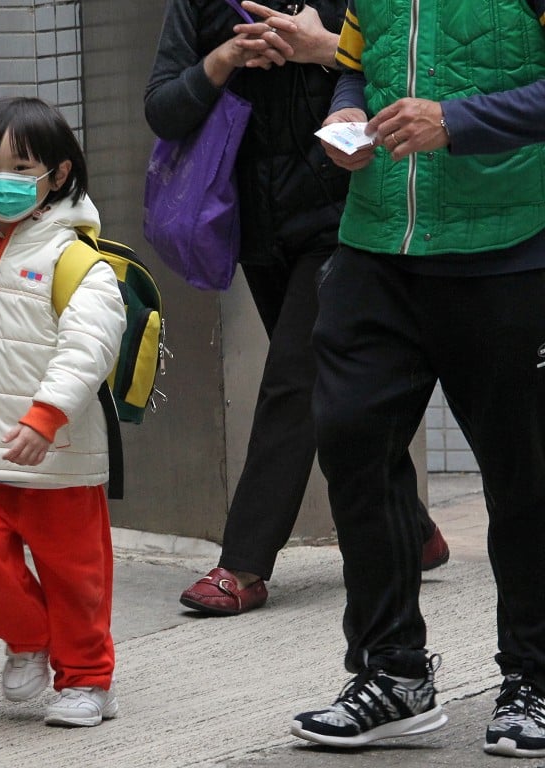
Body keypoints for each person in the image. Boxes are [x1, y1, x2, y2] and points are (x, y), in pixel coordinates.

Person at [288, 0, 545, 757]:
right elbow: (352, 68)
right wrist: (344, 123)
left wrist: (459, 121)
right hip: (374, 247)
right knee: (352, 443)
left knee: (524, 475)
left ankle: (534, 678)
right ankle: (392, 674)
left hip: (511, 247)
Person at [144, 0, 448, 617]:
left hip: (346, 218)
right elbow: (162, 110)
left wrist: (322, 46)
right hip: (257, 224)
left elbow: (409, 78)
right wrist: (226, 58)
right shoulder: (202, 5)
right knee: (321, 387)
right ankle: (413, 532)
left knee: (290, 381)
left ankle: (244, 563)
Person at [0, 97, 126, 728]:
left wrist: (47, 416)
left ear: (59, 175)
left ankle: (87, 681)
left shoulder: (74, 260)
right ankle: (29, 637)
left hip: (56, 455)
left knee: (75, 576)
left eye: (19, 166)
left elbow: (89, 347)